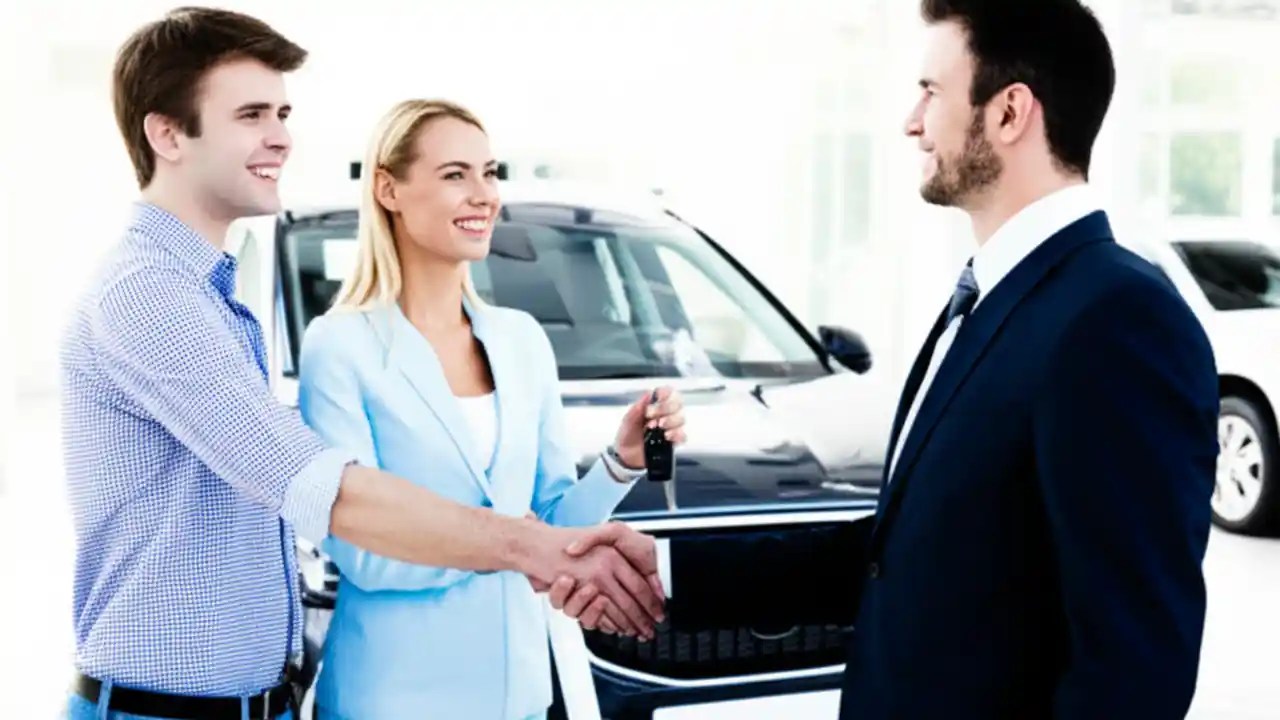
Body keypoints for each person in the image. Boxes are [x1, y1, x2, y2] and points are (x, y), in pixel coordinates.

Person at [560, 1, 1220, 718]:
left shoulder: (1118, 318)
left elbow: (1133, 667)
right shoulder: (986, 300)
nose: (911, 121)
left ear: (1009, 113)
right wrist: (664, 566)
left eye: (931, 91)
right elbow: (898, 552)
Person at [60, 9, 664, 720]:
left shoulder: (209, 299)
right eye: (251, 114)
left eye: (282, 112)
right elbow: (321, 490)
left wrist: (603, 485)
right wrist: (545, 551)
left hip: (263, 704)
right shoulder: (149, 297)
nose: (281, 137)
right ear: (168, 133)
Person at [295, 98, 687, 720]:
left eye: (490, 173)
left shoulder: (520, 339)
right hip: (395, 698)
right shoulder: (340, 345)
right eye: (456, 175)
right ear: (389, 189)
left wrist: (621, 462)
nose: (485, 195)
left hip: (520, 696)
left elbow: (554, 523)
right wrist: (513, 548)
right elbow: (363, 551)